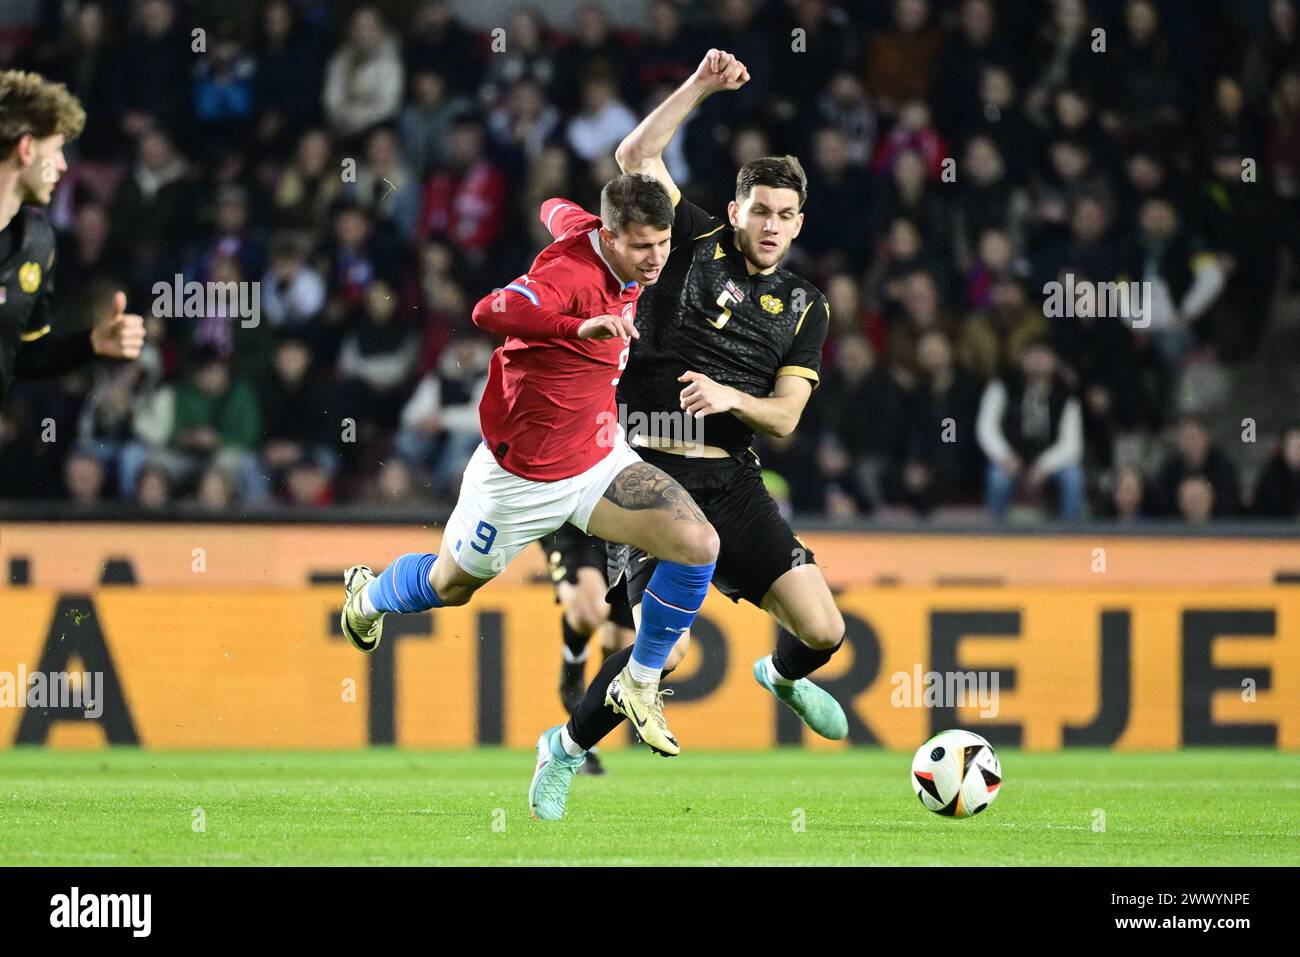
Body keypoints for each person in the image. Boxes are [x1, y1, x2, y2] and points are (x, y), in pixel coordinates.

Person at [529, 50, 850, 821]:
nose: (770, 225)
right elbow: (634, 157)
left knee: (824, 629)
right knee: (661, 653)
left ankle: (779, 676)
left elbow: (784, 416)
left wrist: (727, 394)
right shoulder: (690, 243)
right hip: (646, 473)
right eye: (759, 210)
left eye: (785, 214)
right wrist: (701, 87)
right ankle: (565, 749)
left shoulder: (807, 307)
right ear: (735, 211)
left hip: (731, 478)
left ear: (800, 223)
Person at [340, 172, 720, 766]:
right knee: (451, 586)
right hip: (519, 477)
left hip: (597, 457)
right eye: (643, 247)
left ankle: (640, 682)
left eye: (664, 244)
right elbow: (489, 310)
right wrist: (578, 326)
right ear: (613, 237)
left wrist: (553, 204)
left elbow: (556, 206)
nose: (657, 259)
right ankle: (368, 596)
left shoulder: (594, 232)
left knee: (697, 542)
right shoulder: (567, 276)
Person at [0, 70, 143, 411]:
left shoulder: (37, 242)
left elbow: (26, 356)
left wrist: (90, 344)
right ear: (26, 149)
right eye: (58, 149)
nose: (64, 165)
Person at [537, 525, 636, 776]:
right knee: (589, 612)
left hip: (627, 523)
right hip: (575, 516)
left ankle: (578, 742)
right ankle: (574, 659)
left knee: (622, 653)